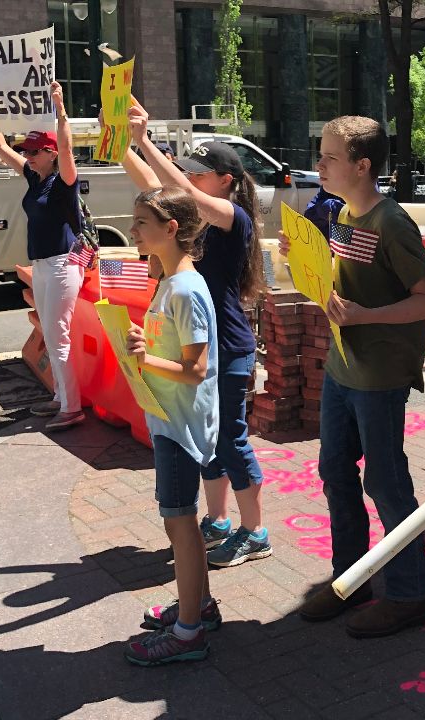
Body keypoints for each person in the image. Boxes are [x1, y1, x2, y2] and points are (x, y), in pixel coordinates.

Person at [280, 115, 425, 638]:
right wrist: (307, 258)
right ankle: (350, 578)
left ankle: (408, 595)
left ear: (361, 165)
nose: (319, 165)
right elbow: (348, 274)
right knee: (334, 471)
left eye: (328, 157)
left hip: (378, 373)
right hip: (343, 365)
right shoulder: (345, 213)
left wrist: (364, 316)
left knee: (387, 483)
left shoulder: (391, 222)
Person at [123, 101, 272, 569]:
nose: (190, 178)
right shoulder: (185, 217)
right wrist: (120, 138)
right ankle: (220, 520)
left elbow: (176, 187)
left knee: (230, 438)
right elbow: (153, 188)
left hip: (227, 348)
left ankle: (255, 532)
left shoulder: (232, 216)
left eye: (200, 173)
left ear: (225, 180)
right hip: (199, 341)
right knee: (204, 440)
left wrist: (147, 140)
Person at [120, 185, 222, 666]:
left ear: (171, 229)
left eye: (142, 222)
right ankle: (197, 606)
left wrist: (145, 358)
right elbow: (173, 348)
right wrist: (143, 341)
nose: (134, 230)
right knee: (179, 522)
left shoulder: (184, 288)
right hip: (168, 417)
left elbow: (196, 367)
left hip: (180, 425)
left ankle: (188, 632)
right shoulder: (169, 281)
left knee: (180, 522)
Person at [0, 81, 85, 431]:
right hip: (44, 265)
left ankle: (72, 407)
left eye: (35, 151)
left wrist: (61, 109)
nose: (29, 155)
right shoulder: (35, 179)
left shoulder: (64, 180)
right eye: (29, 152)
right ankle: (61, 398)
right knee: (51, 333)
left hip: (62, 264)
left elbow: (67, 148)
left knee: (57, 333)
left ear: (51, 153)